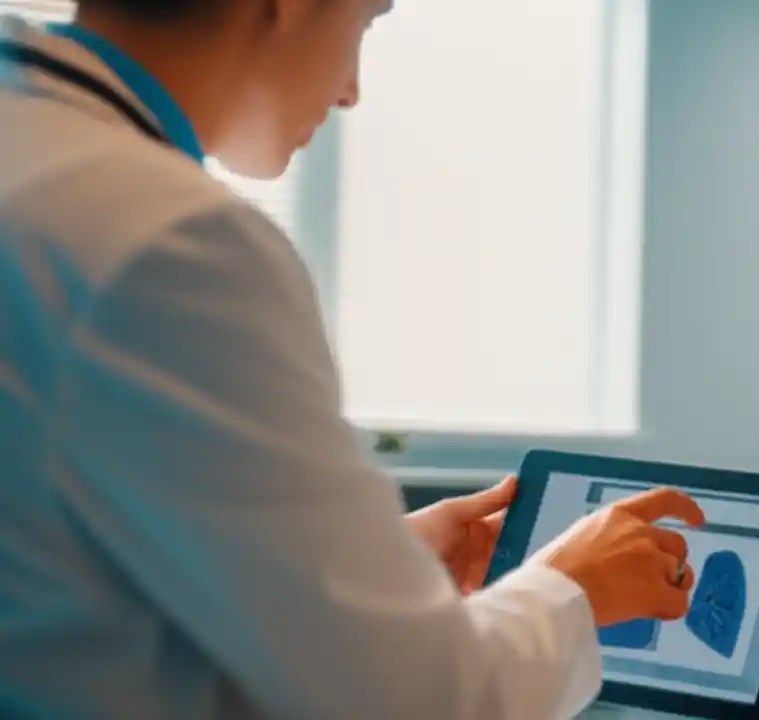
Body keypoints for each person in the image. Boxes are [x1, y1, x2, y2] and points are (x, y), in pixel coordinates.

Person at [0, 2, 706, 718]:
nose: (350, 91)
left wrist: (359, 579)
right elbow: (416, 702)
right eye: (365, 22)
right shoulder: (172, 241)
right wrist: (572, 588)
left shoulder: (35, 153)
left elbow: (71, 572)